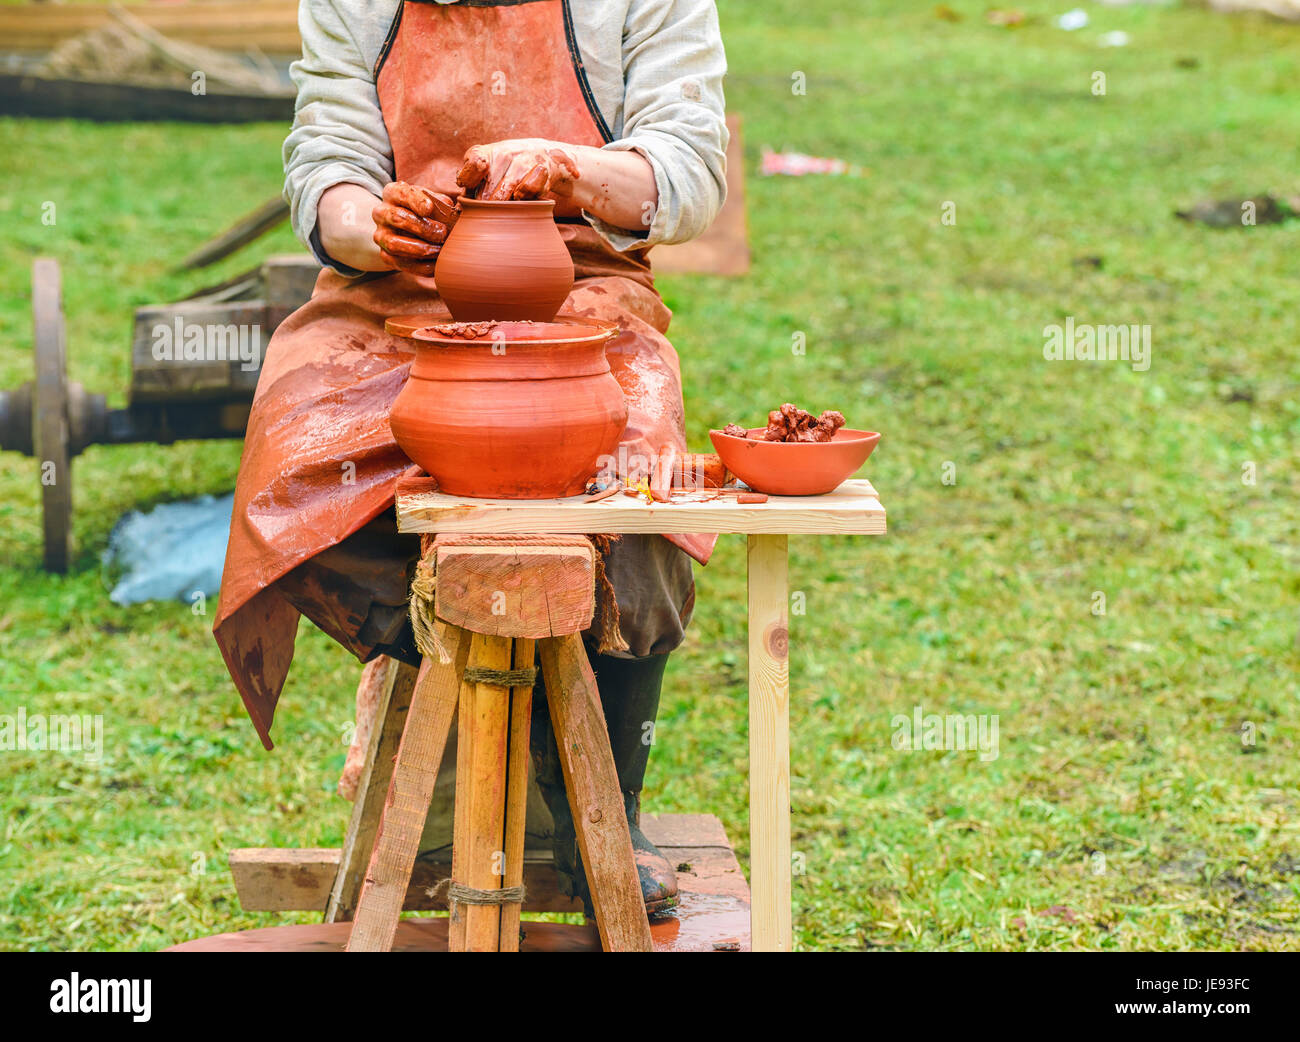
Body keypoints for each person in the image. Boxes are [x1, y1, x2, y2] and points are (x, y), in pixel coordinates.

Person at [213, 0, 728, 916]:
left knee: (636, 462)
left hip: (579, 280)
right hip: (396, 289)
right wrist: (363, 224)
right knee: (295, 443)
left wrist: (570, 172)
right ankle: (463, 667)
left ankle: (604, 806)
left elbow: (689, 170)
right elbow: (323, 160)